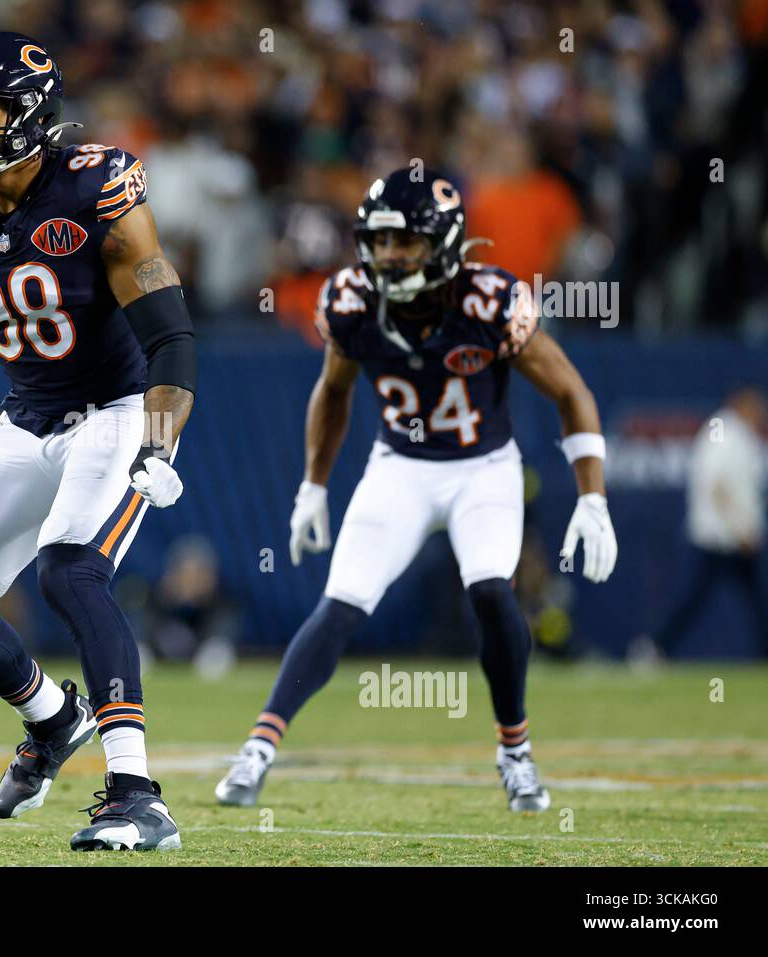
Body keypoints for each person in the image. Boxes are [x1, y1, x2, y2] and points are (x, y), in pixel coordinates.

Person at [0, 33, 195, 852]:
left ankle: (138, 794)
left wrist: (158, 444)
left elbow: (169, 337)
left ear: (34, 114)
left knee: (71, 570)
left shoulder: (93, 187)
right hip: (28, 413)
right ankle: (53, 719)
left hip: (119, 409)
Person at [215, 168, 617, 812]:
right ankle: (257, 749)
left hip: (483, 468)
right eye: (378, 241)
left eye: (405, 242)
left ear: (445, 245)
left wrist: (592, 498)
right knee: (341, 602)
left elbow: (571, 391)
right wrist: (312, 487)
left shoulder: (487, 301)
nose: (388, 255)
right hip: (399, 466)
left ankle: (515, 751)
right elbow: (334, 392)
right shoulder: (352, 302)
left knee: (491, 589)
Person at [639, 387, 768, 657]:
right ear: (739, 404)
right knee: (696, 600)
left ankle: (656, 646)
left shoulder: (744, 436)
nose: (760, 412)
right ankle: (655, 646)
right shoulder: (723, 432)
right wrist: (741, 527)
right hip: (718, 537)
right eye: (755, 406)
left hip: (732, 537)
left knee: (754, 600)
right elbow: (716, 487)